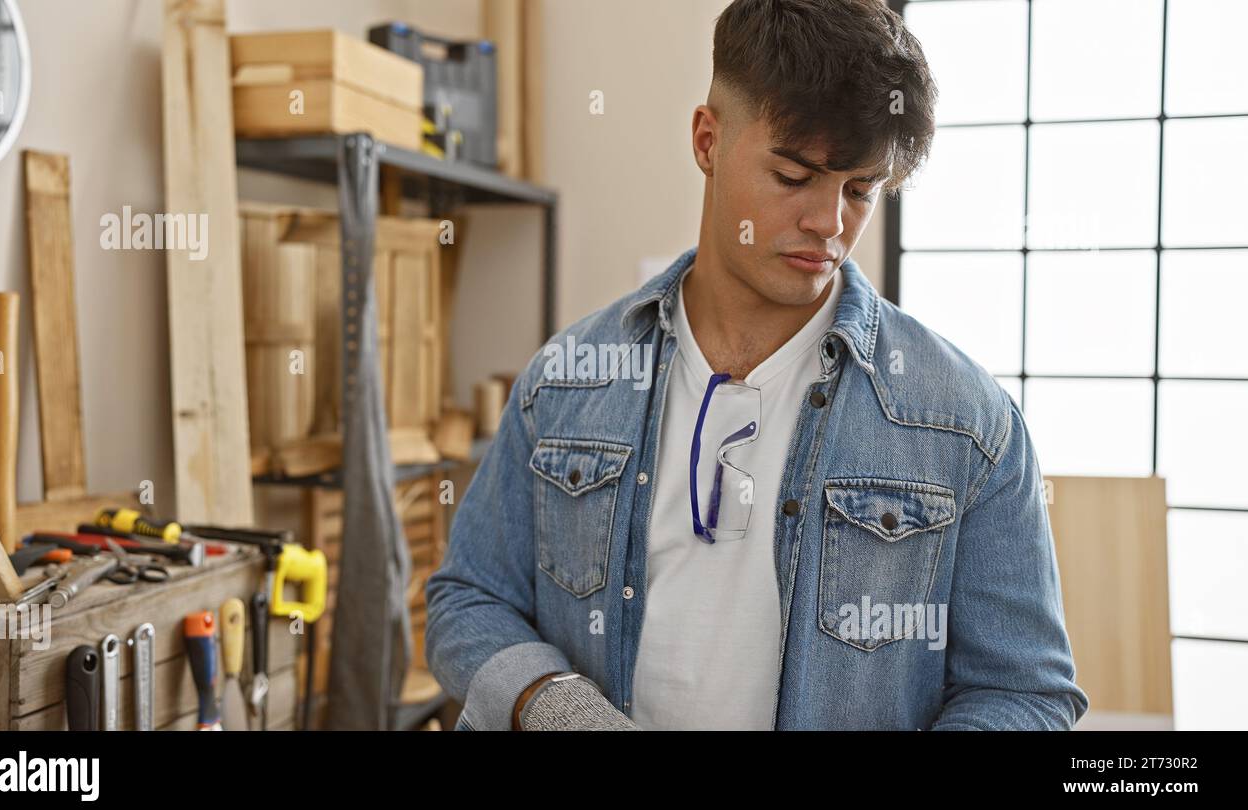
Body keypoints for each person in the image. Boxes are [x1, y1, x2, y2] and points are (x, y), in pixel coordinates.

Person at [426, 0, 1088, 730]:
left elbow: (1025, 691)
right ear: (708, 140)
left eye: (860, 189)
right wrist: (552, 702)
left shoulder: (966, 424)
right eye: (794, 175)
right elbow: (467, 599)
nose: (830, 222)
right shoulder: (569, 379)